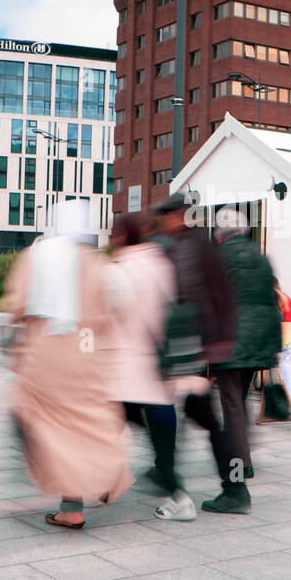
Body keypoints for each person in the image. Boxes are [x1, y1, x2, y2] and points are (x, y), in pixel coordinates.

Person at [5, 199, 133, 529]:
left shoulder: (36, 258)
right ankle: (93, 485)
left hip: (44, 360)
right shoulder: (96, 265)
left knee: (42, 425)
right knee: (84, 426)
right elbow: (112, 312)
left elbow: (17, 305)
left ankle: (78, 497)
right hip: (86, 357)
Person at [153, 193, 248, 515]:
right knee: (202, 418)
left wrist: (205, 348)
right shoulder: (195, 244)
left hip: (199, 350)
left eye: (166, 216)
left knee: (209, 422)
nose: (163, 223)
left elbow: (194, 299)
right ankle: (170, 472)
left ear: (177, 215)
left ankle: (233, 488)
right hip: (204, 348)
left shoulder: (189, 247)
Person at [104, 213, 192, 520]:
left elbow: (111, 311)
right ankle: (175, 492)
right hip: (154, 362)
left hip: (124, 364)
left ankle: (104, 481)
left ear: (119, 238)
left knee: (109, 424)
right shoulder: (159, 262)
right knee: (157, 434)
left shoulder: (121, 268)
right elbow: (170, 306)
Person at [212, 207, 282, 495]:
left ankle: (238, 471)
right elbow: (272, 301)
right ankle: (246, 459)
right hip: (257, 342)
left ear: (221, 234)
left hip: (231, 343)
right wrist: (274, 346)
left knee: (232, 406)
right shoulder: (262, 258)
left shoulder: (219, 258)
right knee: (239, 402)